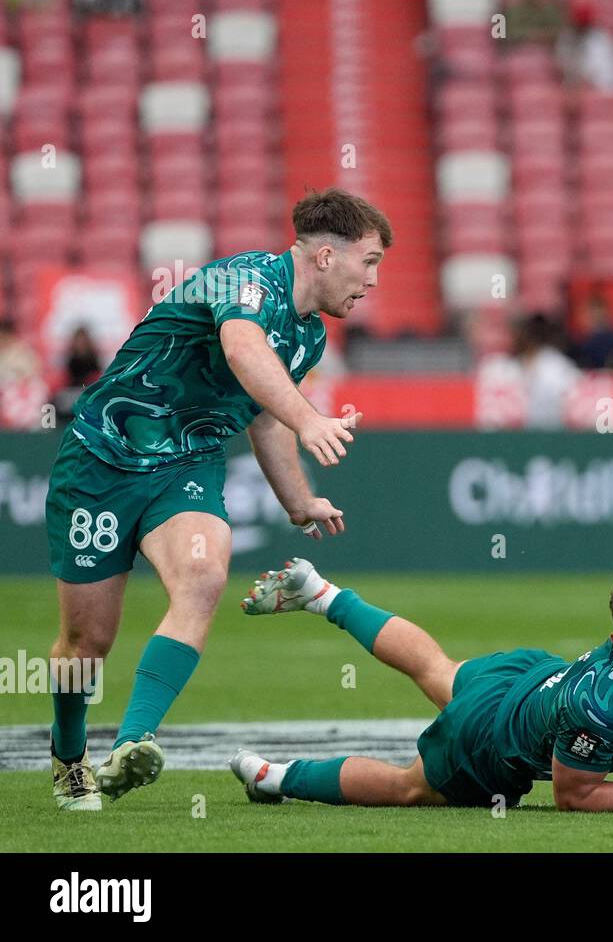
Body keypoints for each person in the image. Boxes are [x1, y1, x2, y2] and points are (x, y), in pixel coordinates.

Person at [45, 188, 389, 810]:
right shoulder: (243, 279)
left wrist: (298, 500)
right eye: (367, 262)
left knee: (203, 576)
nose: (371, 280)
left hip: (187, 468)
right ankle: (69, 758)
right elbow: (243, 351)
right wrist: (312, 419)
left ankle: (132, 742)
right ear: (324, 255)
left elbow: (261, 416)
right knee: (85, 643)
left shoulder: (309, 335)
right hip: (102, 457)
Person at [231, 561, 613, 811]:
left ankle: (323, 594)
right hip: (488, 740)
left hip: (526, 677)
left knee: (435, 668)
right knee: (409, 788)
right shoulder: (597, 708)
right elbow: (574, 797)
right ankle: (273, 776)